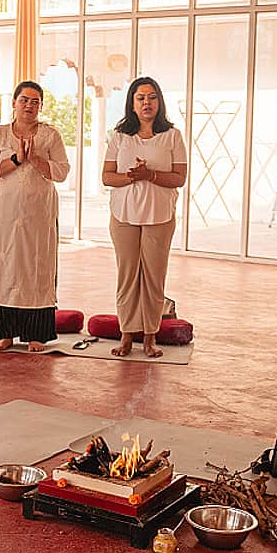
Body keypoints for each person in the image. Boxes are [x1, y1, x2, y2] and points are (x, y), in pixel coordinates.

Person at [0, 81, 71, 352]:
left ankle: (36, 334)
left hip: (39, 213)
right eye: (24, 100)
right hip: (6, 213)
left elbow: (62, 171)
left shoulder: (50, 136)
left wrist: (36, 159)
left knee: (37, 266)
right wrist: (17, 159)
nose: (29, 105)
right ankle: (6, 332)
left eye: (35, 101)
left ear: (41, 106)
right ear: (14, 103)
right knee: (6, 267)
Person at [102, 77, 188, 358]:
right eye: (141, 98)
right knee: (127, 276)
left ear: (159, 101)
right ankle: (127, 336)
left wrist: (149, 175)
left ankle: (150, 337)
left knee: (153, 278)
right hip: (124, 215)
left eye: (152, 97)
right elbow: (106, 177)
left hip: (159, 216)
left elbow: (179, 178)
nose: (146, 103)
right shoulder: (120, 136)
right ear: (132, 103)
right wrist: (131, 177)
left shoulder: (172, 136)